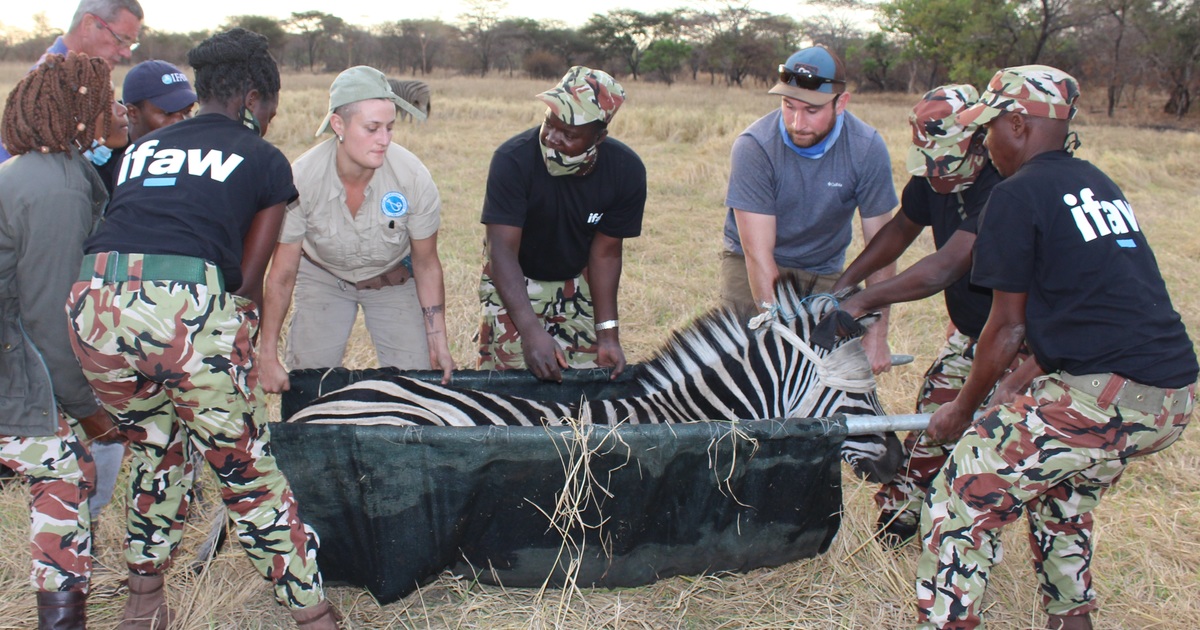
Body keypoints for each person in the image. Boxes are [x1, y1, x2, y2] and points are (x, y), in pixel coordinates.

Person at [64, 29, 338, 629]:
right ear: (250, 97)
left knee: (156, 447)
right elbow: (245, 281)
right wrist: (234, 369)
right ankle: (314, 615)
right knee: (244, 467)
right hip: (182, 304)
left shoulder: (144, 147)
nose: (270, 115)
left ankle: (143, 602)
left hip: (93, 305)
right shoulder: (264, 159)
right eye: (271, 103)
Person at [914, 65, 1197, 630]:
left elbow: (1007, 328)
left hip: (1102, 397)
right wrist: (1015, 387)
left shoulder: (1016, 195)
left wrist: (963, 412)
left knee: (962, 493)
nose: (983, 143)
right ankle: (1073, 620)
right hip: (1170, 396)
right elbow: (1088, 308)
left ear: (1017, 124)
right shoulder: (1096, 183)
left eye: (987, 128)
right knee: (1060, 488)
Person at [830, 84, 1018, 546]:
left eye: (944, 162)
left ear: (978, 141)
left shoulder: (1006, 188)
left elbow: (946, 266)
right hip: (973, 332)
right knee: (935, 417)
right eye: (926, 160)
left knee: (999, 436)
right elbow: (899, 231)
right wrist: (844, 284)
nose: (934, 174)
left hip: (1023, 340)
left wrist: (862, 302)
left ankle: (966, 529)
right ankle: (900, 515)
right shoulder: (935, 175)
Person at [0, 51, 123, 630]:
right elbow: (49, 317)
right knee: (62, 487)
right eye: (109, 99)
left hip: (18, 359)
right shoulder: (54, 188)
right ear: (81, 112)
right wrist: (89, 408)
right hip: (18, 365)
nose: (118, 109)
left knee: (74, 479)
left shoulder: (43, 171)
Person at [260, 65, 453, 393]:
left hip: (392, 277)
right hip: (323, 276)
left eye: (390, 128)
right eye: (372, 128)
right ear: (339, 125)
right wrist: (266, 354)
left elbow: (426, 262)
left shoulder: (412, 177)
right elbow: (282, 272)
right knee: (310, 380)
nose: (385, 140)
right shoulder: (301, 178)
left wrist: (438, 340)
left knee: (416, 382)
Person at [722, 44, 898, 374]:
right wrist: (780, 332)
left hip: (825, 267)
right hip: (753, 264)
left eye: (812, 110)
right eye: (789, 106)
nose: (797, 122)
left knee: (828, 375)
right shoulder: (754, 146)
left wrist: (877, 334)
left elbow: (883, 249)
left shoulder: (867, 148)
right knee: (754, 368)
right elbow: (758, 254)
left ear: (841, 103)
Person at [476, 65, 646, 382]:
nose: (552, 138)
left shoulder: (625, 171)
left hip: (576, 281)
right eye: (549, 124)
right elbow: (501, 251)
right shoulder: (513, 160)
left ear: (599, 137)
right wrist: (529, 331)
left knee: (582, 387)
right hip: (514, 277)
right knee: (506, 386)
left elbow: (606, 255)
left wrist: (607, 334)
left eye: (569, 134)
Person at [84, 59, 200, 521]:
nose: (178, 125)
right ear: (130, 112)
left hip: (171, 318)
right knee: (108, 416)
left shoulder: (192, 165)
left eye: (184, 114)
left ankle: (175, 500)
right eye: (166, 114)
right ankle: (92, 513)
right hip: (107, 316)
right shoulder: (105, 167)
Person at [0, 0, 143, 164]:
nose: (126, 53)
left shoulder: (83, 78)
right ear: (88, 24)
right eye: (120, 40)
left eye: (131, 44)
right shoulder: (48, 86)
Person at [123, 59, 197, 143]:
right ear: (132, 113)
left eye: (187, 111)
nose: (181, 121)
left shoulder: (200, 151)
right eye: (168, 113)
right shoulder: (111, 154)